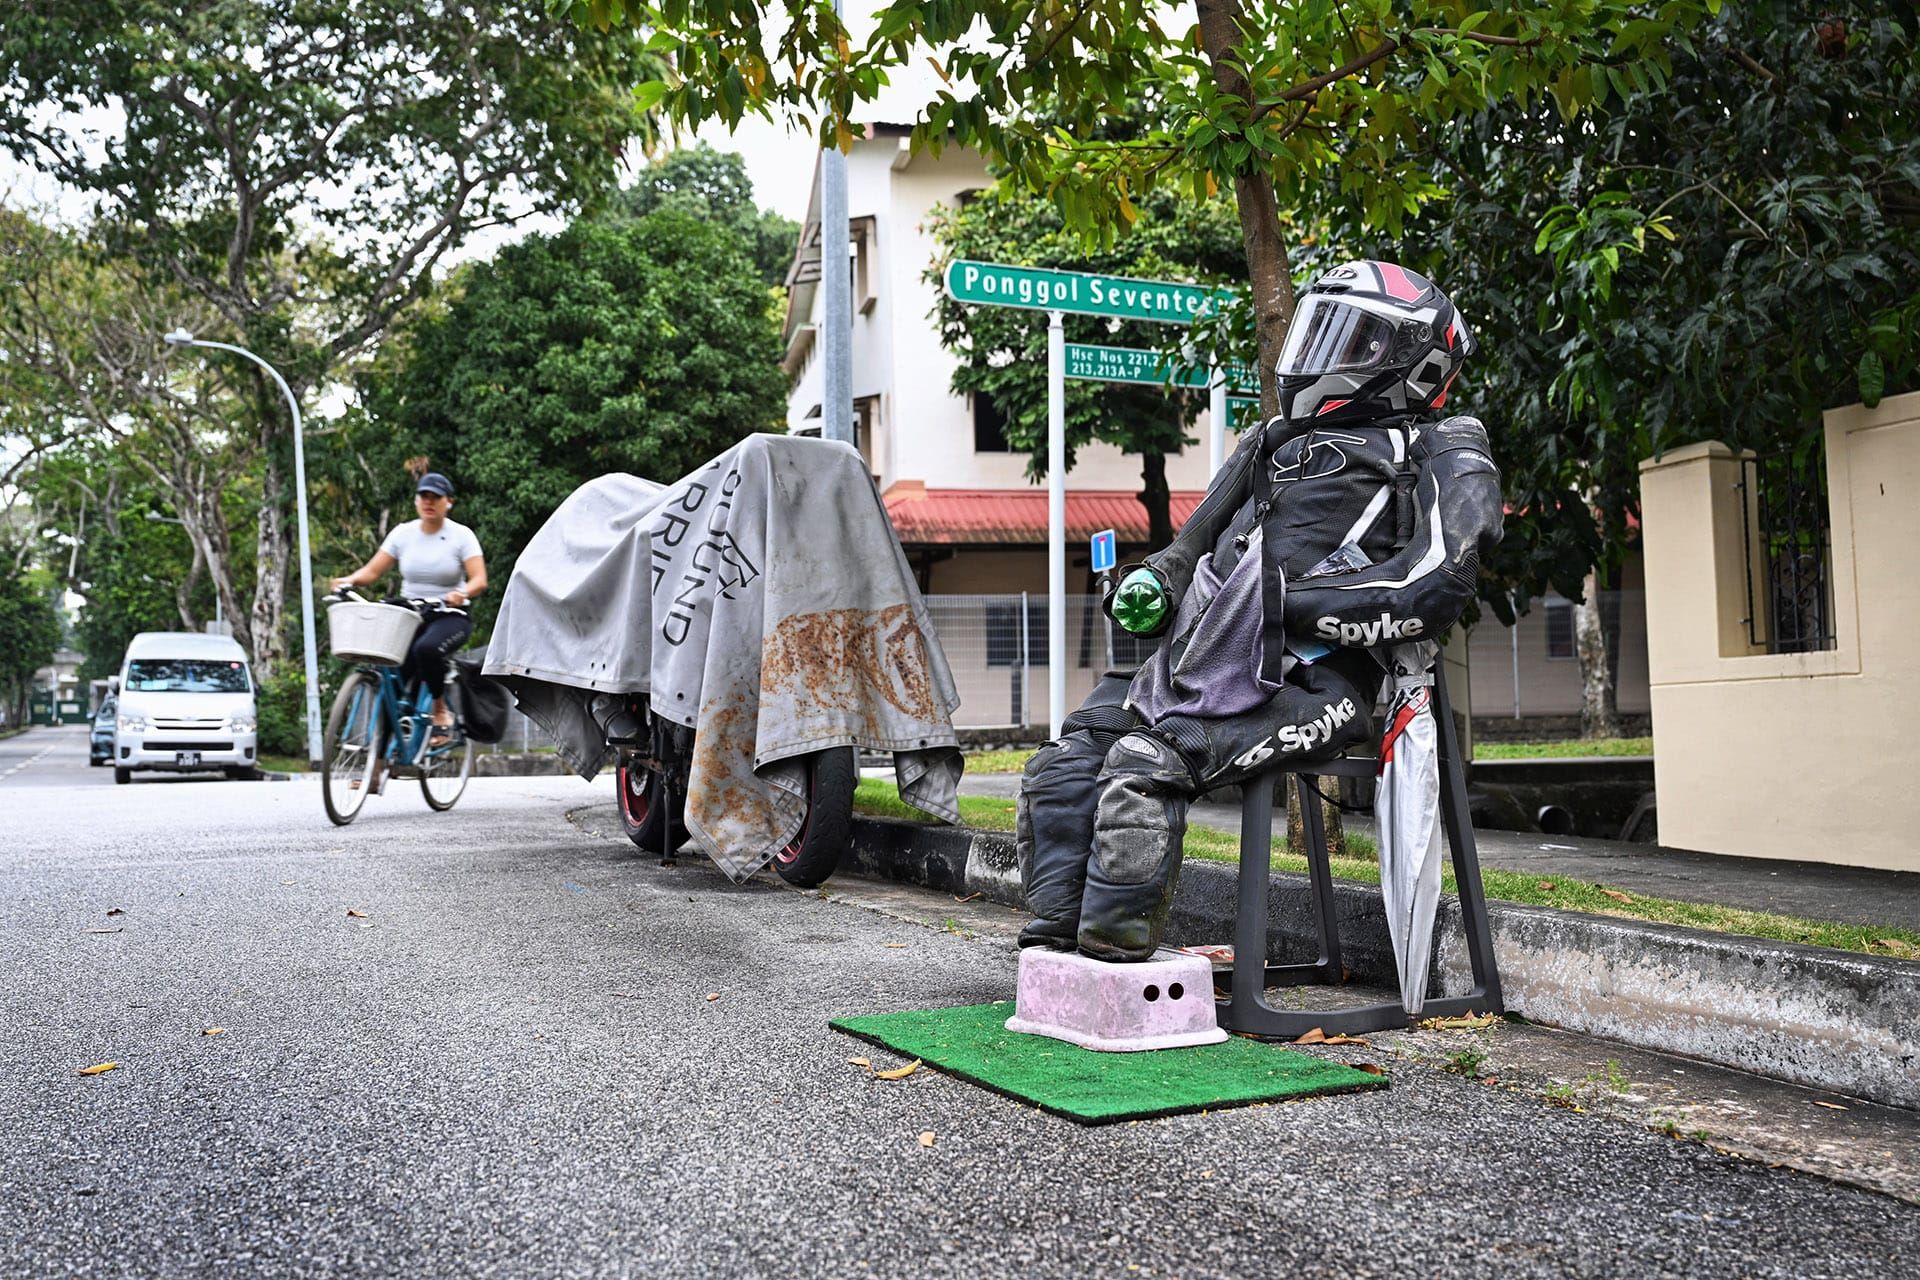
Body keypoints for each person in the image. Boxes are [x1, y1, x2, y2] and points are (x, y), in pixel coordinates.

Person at [1016, 260, 1505, 962]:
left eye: (1354, 339)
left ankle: (1112, 959)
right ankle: (1058, 948)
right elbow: (1186, 553)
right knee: (1063, 766)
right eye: (1323, 330)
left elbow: (1433, 587)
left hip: (1318, 682)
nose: (1322, 353)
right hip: (1199, 660)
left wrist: (1278, 607)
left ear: (1416, 364)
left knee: (1146, 763)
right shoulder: (1269, 442)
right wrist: (1152, 583)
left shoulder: (1443, 446)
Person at [332, 472, 488, 742]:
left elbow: (479, 580)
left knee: (426, 650)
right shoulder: (403, 534)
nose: (429, 502)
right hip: (409, 615)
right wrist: (349, 580)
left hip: (448, 614)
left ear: (449, 502)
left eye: (436, 497)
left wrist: (461, 593)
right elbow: (372, 572)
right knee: (392, 677)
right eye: (423, 496)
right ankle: (378, 761)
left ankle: (440, 710)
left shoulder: (461, 536)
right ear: (416, 501)